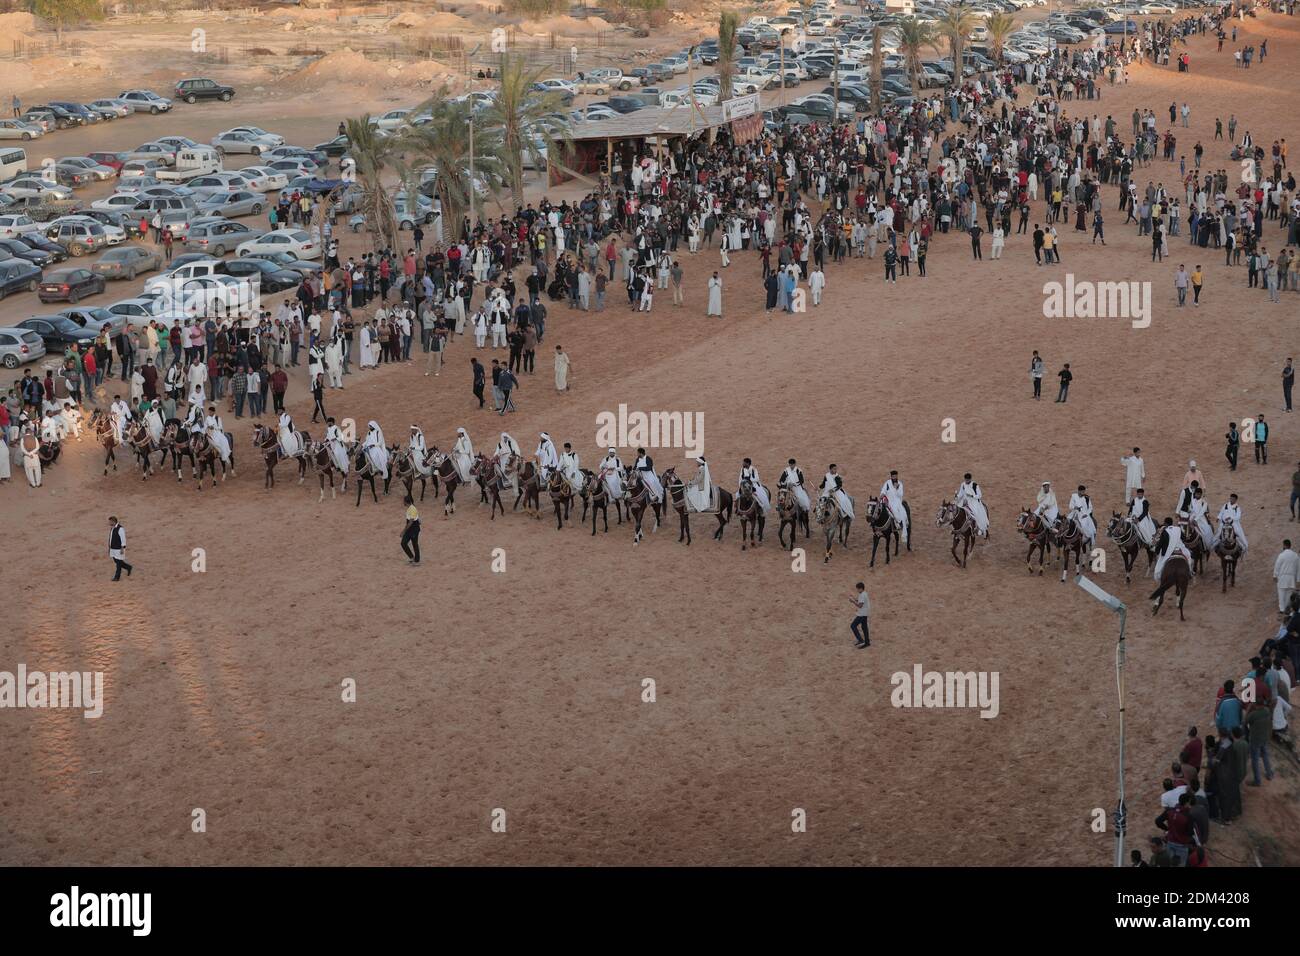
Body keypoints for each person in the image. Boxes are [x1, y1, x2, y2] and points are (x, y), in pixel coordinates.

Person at [880, 470, 908, 542]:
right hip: (889, 501)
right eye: (893, 476)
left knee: (903, 512)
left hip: (898, 502)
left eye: (896, 476)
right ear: (891, 477)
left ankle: (901, 523)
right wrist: (882, 494)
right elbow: (883, 490)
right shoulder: (887, 483)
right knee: (892, 510)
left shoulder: (900, 484)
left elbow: (900, 495)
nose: (894, 478)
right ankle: (898, 522)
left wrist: (897, 488)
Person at [1275, 541, 1300, 616]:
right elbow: (1298, 568)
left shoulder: (1281, 555)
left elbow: (1277, 565)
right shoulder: (1295, 555)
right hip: (1291, 579)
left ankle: (1282, 609)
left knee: (1281, 593)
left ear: (1284, 546)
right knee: (1288, 594)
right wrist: (1298, 579)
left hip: (1282, 577)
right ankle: (1286, 608)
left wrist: (1275, 575)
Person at [108, 515, 133, 581]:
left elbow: (123, 539)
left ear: (113, 521)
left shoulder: (120, 528)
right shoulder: (112, 528)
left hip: (118, 549)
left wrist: (122, 548)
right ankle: (128, 567)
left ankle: (117, 577)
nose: (109, 523)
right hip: (113, 549)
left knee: (118, 564)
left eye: (110, 521)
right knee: (117, 561)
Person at [401, 495, 421, 565]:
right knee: (403, 543)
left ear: (406, 502)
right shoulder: (411, 508)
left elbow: (410, 522)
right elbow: (417, 518)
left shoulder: (412, 509)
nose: (403, 502)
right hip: (411, 528)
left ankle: (417, 560)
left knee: (414, 544)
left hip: (414, 529)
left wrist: (403, 531)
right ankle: (412, 557)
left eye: (403, 501)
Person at [849, 582, 871, 648]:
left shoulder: (862, 595)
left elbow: (860, 605)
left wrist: (853, 601)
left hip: (862, 614)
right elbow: (860, 601)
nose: (857, 590)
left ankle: (860, 640)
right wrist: (854, 599)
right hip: (865, 613)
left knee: (853, 625)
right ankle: (867, 642)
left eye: (858, 589)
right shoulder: (864, 593)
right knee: (864, 627)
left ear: (861, 588)